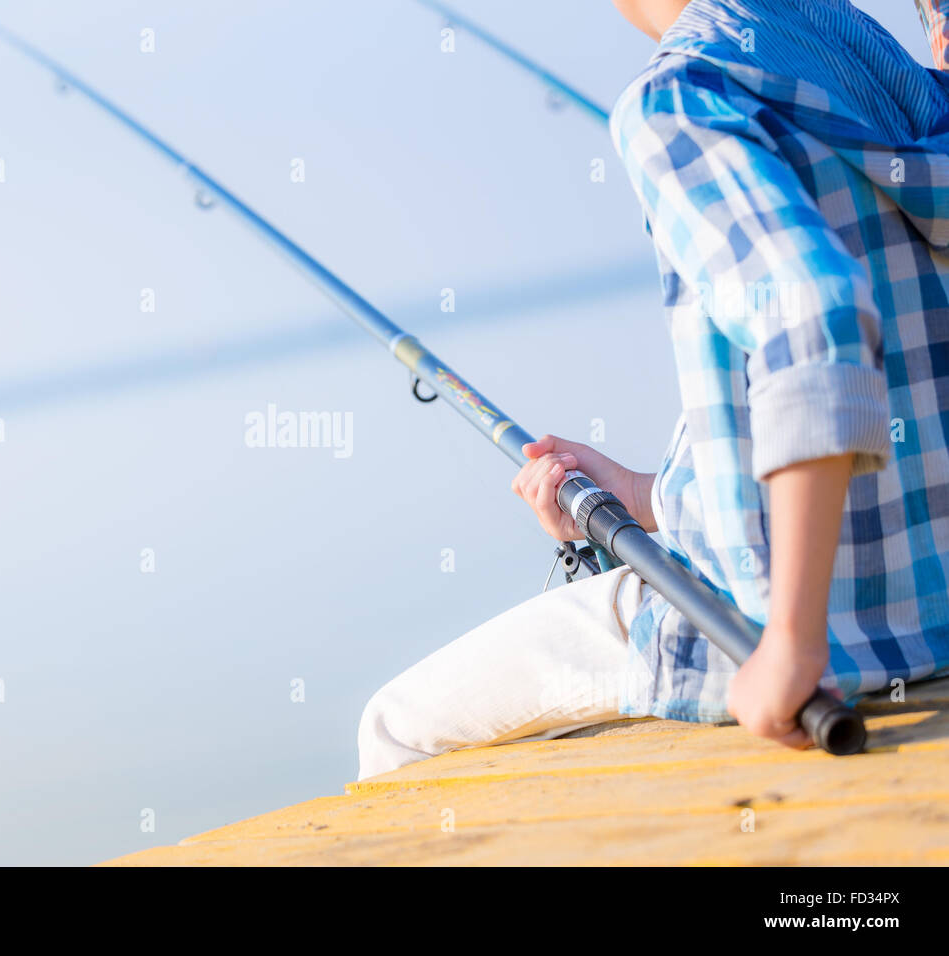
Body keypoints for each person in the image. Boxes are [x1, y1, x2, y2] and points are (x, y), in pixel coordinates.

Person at [358, 0, 949, 779]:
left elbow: (814, 317)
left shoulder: (681, 96)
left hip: (782, 637)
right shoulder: (887, 65)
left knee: (396, 728)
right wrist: (643, 495)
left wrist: (793, 642)